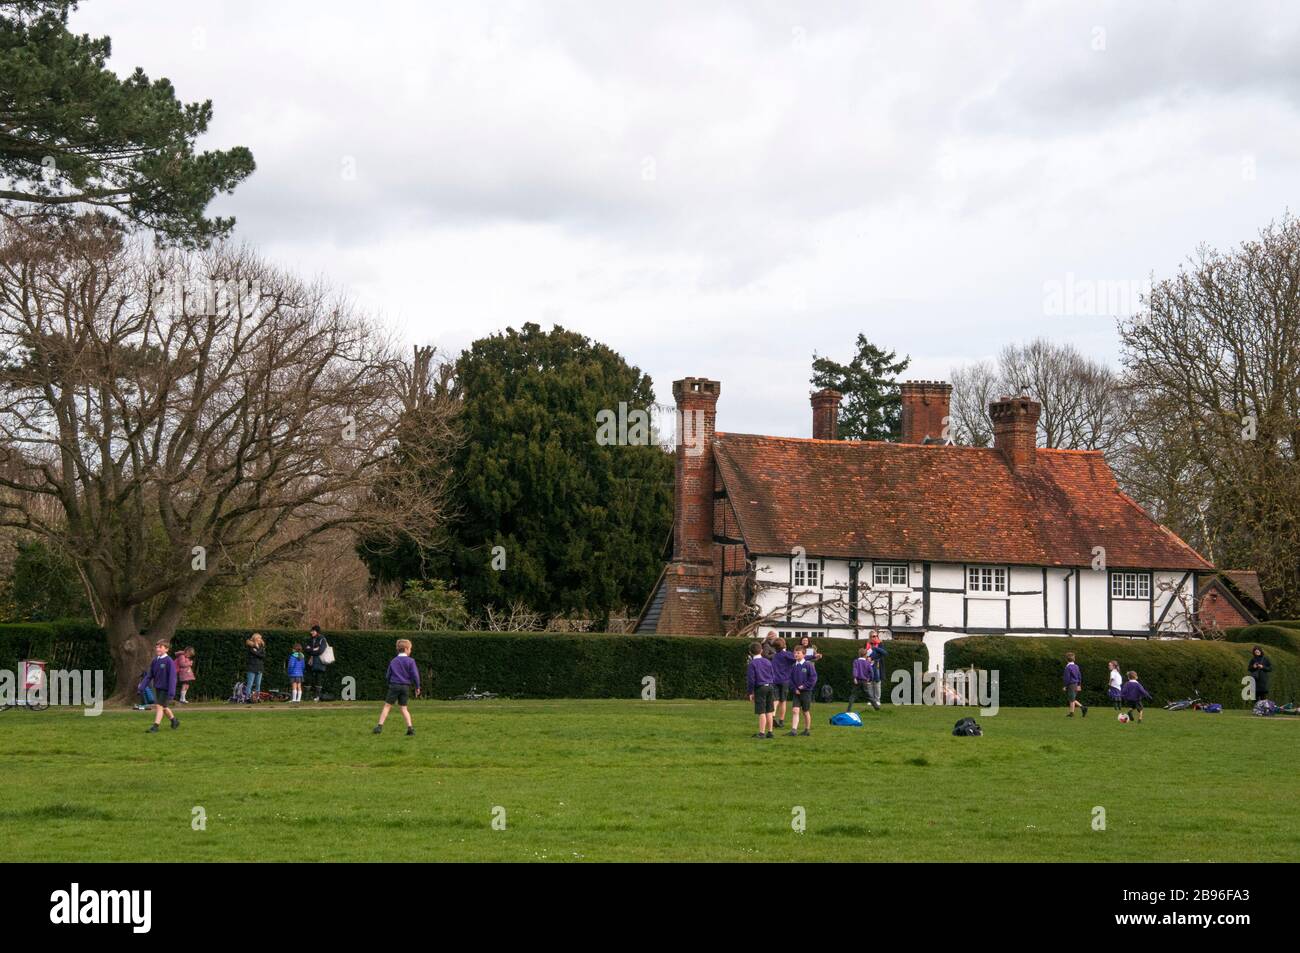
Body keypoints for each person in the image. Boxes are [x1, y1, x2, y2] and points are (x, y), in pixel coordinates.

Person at [374, 638, 420, 736]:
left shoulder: (394, 661)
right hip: (405, 687)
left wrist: (389, 683)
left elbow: (388, 675)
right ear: (406, 649)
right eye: (410, 649)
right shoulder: (411, 661)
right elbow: (415, 675)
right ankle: (410, 728)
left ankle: (379, 726)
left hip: (394, 685)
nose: (410, 651)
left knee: (387, 706)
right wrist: (417, 687)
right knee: (404, 708)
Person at [145, 640, 179, 733]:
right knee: (163, 707)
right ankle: (174, 721)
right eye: (157, 647)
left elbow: (173, 678)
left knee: (159, 706)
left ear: (166, 649)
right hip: (158, 688)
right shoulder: (155, 660)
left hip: (166, 689)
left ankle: (155, 727)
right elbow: (149, 675)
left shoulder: (169, 661)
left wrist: (171, 692)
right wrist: (142, 686)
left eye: (160, 647)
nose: (157, 649)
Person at [746, 641, 776, 738]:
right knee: (769, 710)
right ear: (761, 650)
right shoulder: (767, 661)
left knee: (761, 711)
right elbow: (772, 674)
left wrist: (750, 692)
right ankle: (770, 732)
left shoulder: (752, 663)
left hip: (760, 687)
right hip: (770, 686)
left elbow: (751, 679)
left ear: (750, 652)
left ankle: (762, 733)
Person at [787, 645, 818, 736]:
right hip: (796, 692)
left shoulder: (808, 665)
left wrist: (804, 686)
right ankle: (793, 730)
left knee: (805, 711)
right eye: (795, 653)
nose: (796, 654)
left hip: (806, 692)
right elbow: (790, 679)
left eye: (798, 653)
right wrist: (794, 689)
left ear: (804, 654)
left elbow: (813, 678)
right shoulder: (793, 666)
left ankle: (807, 730)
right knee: (795, 710)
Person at [770, 637, 795, 728]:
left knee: (775, 700)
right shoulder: (786, 654)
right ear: (784, 645)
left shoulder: (775, 656)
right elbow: (797, 657)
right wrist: (813, 656)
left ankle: (772, 716)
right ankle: (781, 721)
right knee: (783, 701)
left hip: (775, 680)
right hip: (784, 680)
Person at [847, 644, 876, 712]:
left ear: (859, 654)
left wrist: (854, 678)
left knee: (853, 695)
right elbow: (871, 672)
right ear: (866, 655)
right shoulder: (867, 663)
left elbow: (855, 669)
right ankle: (876, 707)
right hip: (865, 681)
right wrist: (870, 679)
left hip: (857, 681)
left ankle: (848, 710)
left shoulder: (856, 661)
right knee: (869, 696)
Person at [304, 625, 329, 701]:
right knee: (308, 678)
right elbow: (306, 649)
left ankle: (317, 697)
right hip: (310, 662)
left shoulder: (322, 639)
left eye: (313, 631)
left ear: (317, 632)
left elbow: (321, 650)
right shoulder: (310, 639)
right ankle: (307, 697)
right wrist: (314, 649)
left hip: (319, 662)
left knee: (318, 679)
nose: (311, 632)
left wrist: (311, 650)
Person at [1063, 651, 1088, 718]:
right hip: (1076, 684)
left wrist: (1065, 686)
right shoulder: (1076, 666)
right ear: (1074, 659)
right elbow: (1079, 676)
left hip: (1071, 684)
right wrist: (1079, 685)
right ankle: (1073, 712)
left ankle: (1081, 708)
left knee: (1071, 699)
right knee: (1072, 698)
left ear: (1066, 659)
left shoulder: (1067, 667)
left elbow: (1067, 678)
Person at [867, 631, 887, 711]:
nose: (875, 637)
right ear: (870, 637)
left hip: (877, 666)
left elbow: (883, 653)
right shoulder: (867, 644)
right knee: (869, 683)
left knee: (877, 682)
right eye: (873, 636)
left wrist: (875, 649)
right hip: (868, 666)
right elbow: (865, 653)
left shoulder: (880, 644)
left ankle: (877, 700)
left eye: (876, 636)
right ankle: (871, 700)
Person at [244, 633, 267, 702]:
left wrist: (258, 650)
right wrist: (259, 651)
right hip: (251, 668)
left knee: (258, 685)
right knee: (250, 684)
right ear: (255, 639)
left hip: (259, 668)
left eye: (260, 638)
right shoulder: (250, 646)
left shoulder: (261, 647)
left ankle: (257, 698)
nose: (260, 639)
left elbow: (263, 656)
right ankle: (247, 698)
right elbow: (256, 654)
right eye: (259, 638)